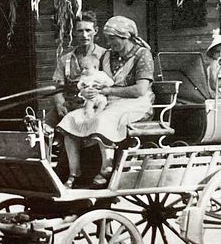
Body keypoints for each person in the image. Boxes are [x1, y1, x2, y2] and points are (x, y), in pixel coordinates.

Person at [57, 16, 155, 188]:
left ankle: (106, 168)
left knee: (102, 119)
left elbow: (140, 90)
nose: (109, 43)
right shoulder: (108, 55)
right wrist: (87, 90)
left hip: (136, 102)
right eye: (108, 39)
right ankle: (74, 172)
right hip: (107, 100)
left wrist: (108, 91)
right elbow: (94, 78)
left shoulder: (142, 55)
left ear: (126, 36)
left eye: (112, 39)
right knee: (71, 119)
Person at [47, 11, 107, 127]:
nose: (84, 35)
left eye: (88, 30)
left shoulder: (105, 55)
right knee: (46, 125)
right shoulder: (65, 59)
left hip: (96, 104)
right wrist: (60, 104)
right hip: (71, 104)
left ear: (96, 31)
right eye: (80, 31)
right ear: (74, 32)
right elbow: (58, 88)